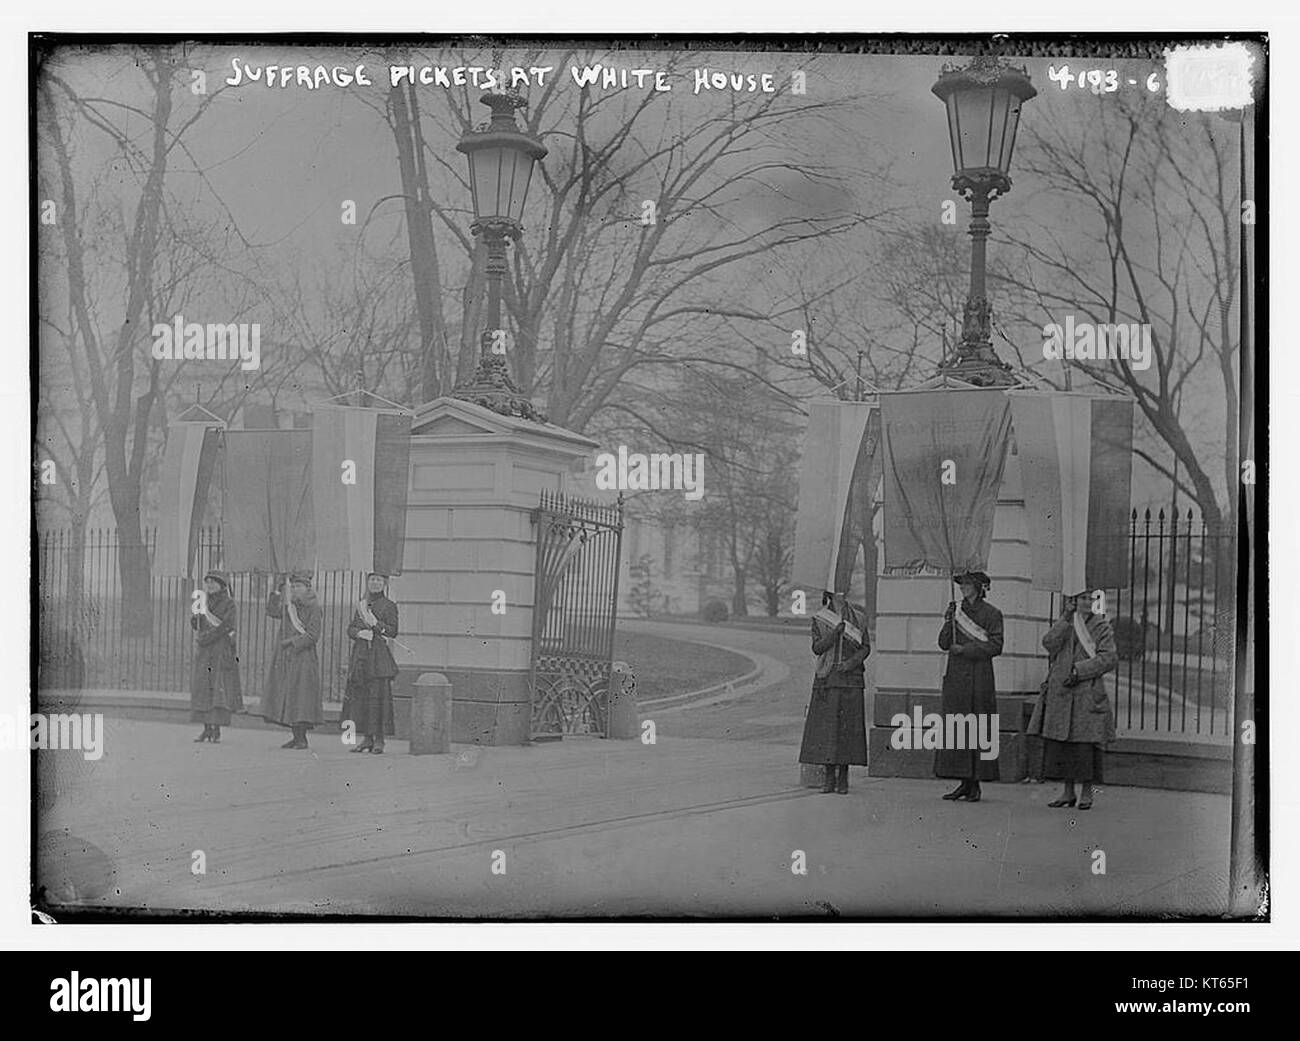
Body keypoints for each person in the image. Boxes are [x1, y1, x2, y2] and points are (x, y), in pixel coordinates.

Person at [1027, 592, 1118, 811]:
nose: (1086, 603)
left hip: (1086, 691)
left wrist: (1079, 671)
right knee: (1062, 745)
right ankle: (1067, 792)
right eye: (1081, 599)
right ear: (1074, 602)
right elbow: (1049, 643)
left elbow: (1108, 658)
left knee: (1084, 746)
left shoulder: (1101, 627)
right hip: (1061, 691)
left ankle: (1086, 792)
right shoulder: (1067, 622)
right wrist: (1066, 619)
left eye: (1089, 599)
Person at [935, 571, 1002, 802]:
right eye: (961, 583)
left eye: (966, 583)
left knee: (977, 728)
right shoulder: (956, 612)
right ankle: (963, 781)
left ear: (977, 586)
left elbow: (996, 645)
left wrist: (966, 650)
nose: (962, 586)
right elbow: (944, 643)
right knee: (958, 729)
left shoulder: (992, 614)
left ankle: (975, 783)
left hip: (979, 678)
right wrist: (948, 620)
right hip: (956, 678)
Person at [798, 590, 870, 794]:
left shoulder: (859, 617)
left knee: (847, 731)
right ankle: (829, 777)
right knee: (827, 732)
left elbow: (865, 647)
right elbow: (817, 648)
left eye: (843, 589)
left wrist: (851, 663)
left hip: (850, 679)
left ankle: (844, 778)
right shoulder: (820, 619)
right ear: (830, 593)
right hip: (827, 680)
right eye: (837, 590)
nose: (841, 593)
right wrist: (835, 633)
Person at [261, 570, 323, 750]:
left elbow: (313, 635)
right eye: (293, 586)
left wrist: (291, 642)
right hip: (287, 657)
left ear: (307, 588)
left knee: (301, 697)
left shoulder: (314, 607)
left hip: (303, 657)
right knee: (290, 695)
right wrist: (277, 591)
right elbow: (272, 612)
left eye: (299, 586)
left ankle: (302, 738)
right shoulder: (290, 605)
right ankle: (295, 737)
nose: (295, 589)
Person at [342, 573, 400, 754]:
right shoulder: (362, 604)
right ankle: (366, 739)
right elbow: (351, 627)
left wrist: (377, 625)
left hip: (378, 657)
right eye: (372, 580)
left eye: (378, 580)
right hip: (361, 656)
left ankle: (379, 740)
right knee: (362, 698)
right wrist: (358, 633)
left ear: (385, 584)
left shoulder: (389, 606)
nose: (374, 583)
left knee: (378, 699)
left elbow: (393, 631)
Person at [190, 570, 242, 743]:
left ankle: (216, 730)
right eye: (208, 582)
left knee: (217, 688)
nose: (210, 585)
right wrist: (195, 618)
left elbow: (227, 626)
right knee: (204, 688)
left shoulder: (229, 604)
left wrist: (207, 638)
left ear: (221, 585)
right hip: (206, 651)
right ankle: (206, 729)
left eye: (213, 582)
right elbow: (199, 624)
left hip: (219, 650)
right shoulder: (203, 602)